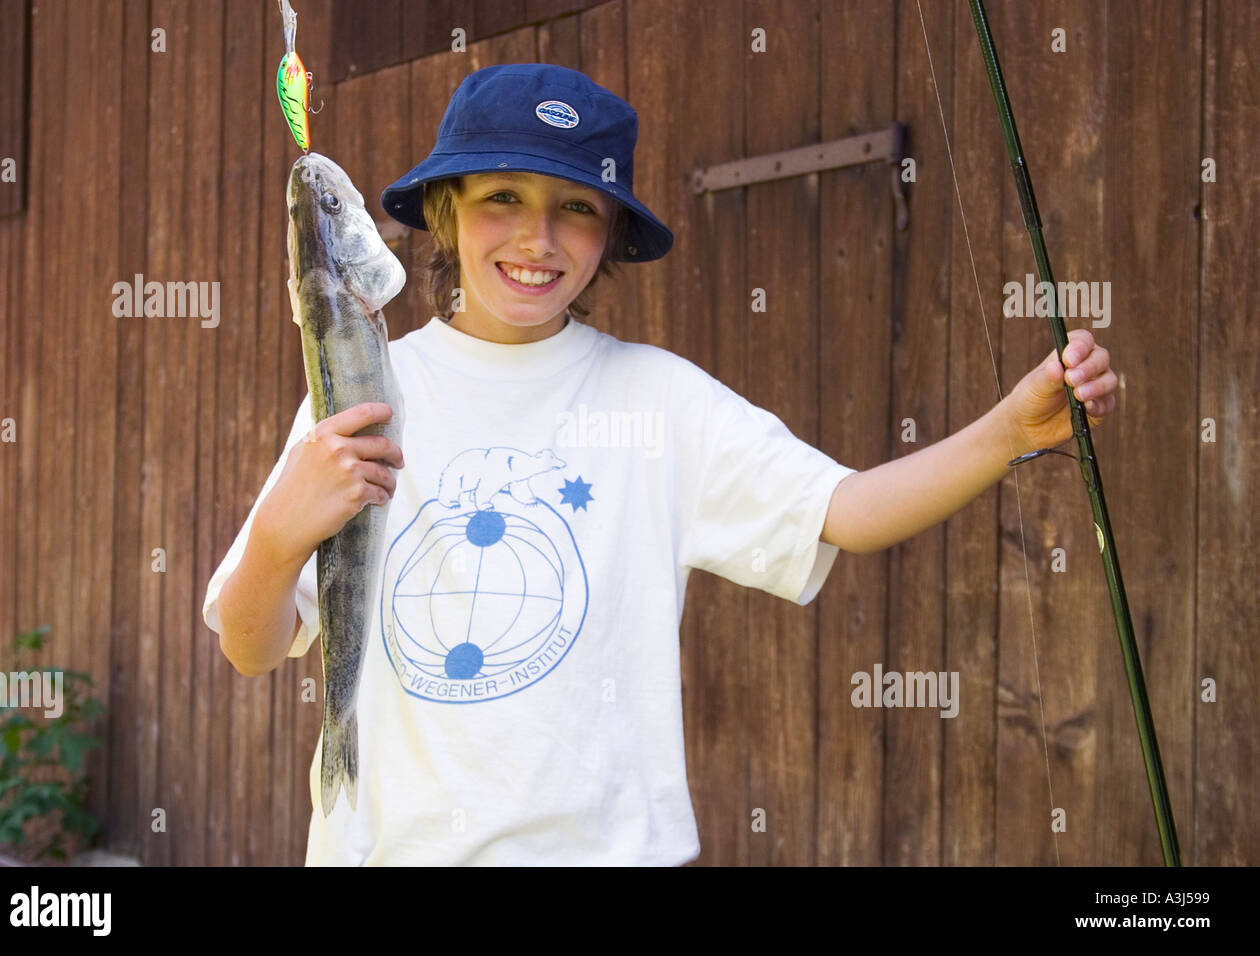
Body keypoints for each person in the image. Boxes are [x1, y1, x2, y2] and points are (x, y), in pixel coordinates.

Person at [202, 63, 1116, 866]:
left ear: (610, 238)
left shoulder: (660, 399)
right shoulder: (363, 393)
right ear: (445, 209)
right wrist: (281, 532)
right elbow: (251, 647)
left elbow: (847, 509)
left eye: (576, 209)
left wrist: (1013, 432)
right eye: (503, 198)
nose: (538, 239)